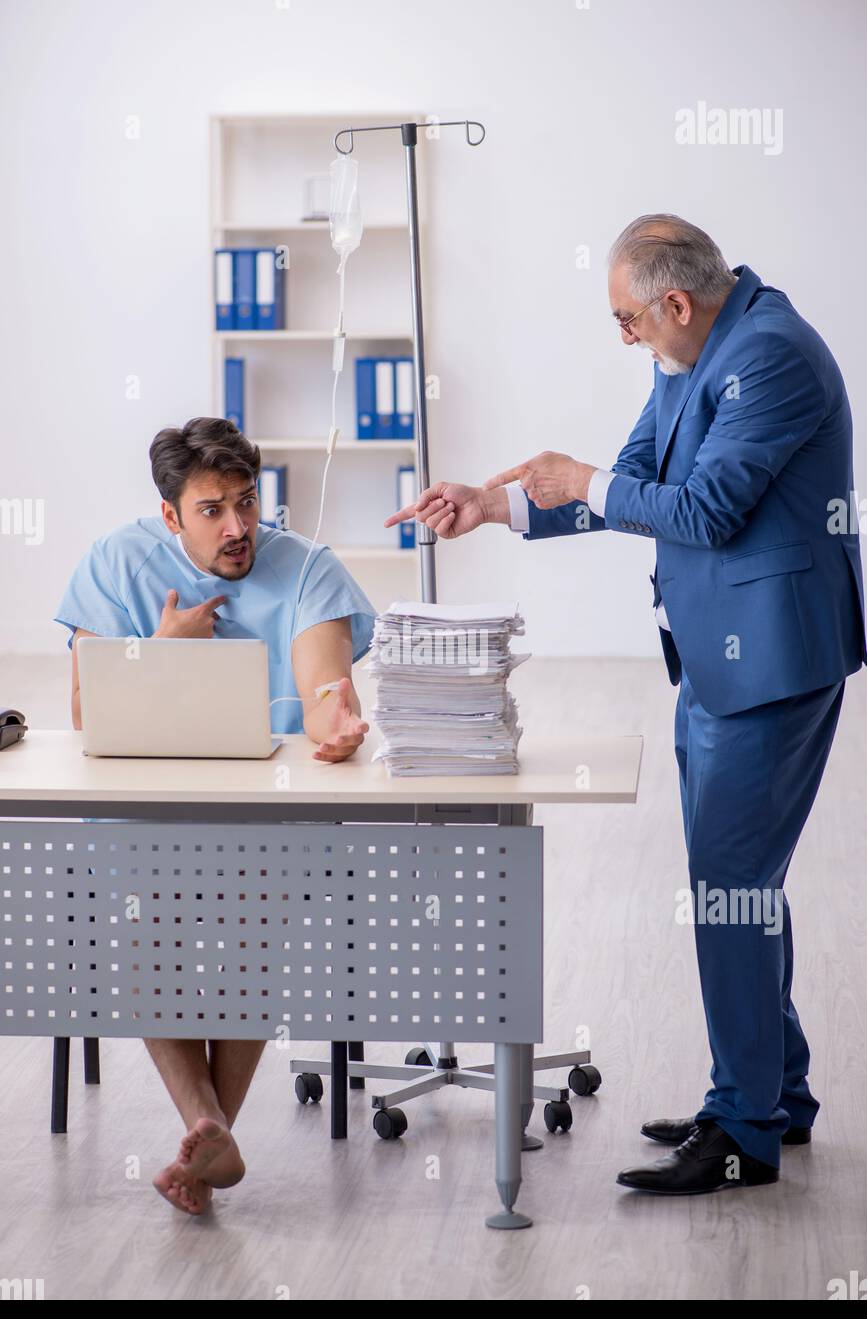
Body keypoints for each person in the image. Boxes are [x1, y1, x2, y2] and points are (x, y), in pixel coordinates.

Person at [385, 214, 866, 1195]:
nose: (626, 338)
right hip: (715, 655)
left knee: (729, 891)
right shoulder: (697, 346)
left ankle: (744, 1130)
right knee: (739, 886)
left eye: (627, 321)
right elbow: (635, 481)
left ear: (675, 303)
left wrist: (590, 481)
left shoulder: (770, 355)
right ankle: (778, 1093)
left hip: (773, 659)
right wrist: (500, 505)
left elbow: (703, 511)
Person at [54, 416, 375, 1215]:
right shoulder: (114, 563)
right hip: (139, 821)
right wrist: (161, 650)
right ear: (169, 515)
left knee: (254, 917)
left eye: (247, 502)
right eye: (211, 510)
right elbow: (89, 712)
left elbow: (324, 685)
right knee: (138, 919)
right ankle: (211, 1130)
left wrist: (334, 722)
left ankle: (204, 1129)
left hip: (265, 828)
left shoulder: (306, 570)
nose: (238, 529)